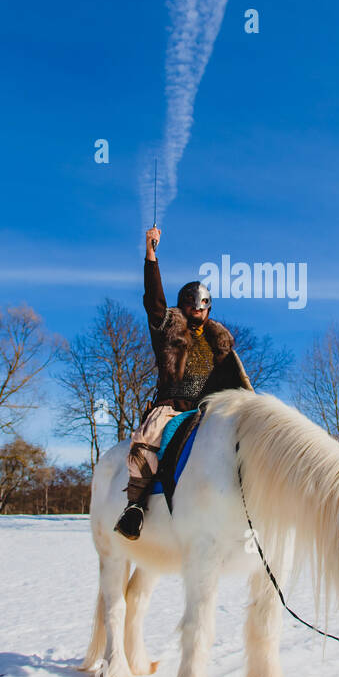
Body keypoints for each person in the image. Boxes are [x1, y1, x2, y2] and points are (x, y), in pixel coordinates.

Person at [114, 225, 252, 539]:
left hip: (208, 410)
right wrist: (151, 256)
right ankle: (135, 507)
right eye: (190, 305)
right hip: (171, 407)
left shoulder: (220, 343)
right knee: (146, 441)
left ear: (208, 308)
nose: (195, 310)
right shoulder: (168, 329)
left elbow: (239, 381)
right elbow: (154, 302)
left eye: (200, 305)